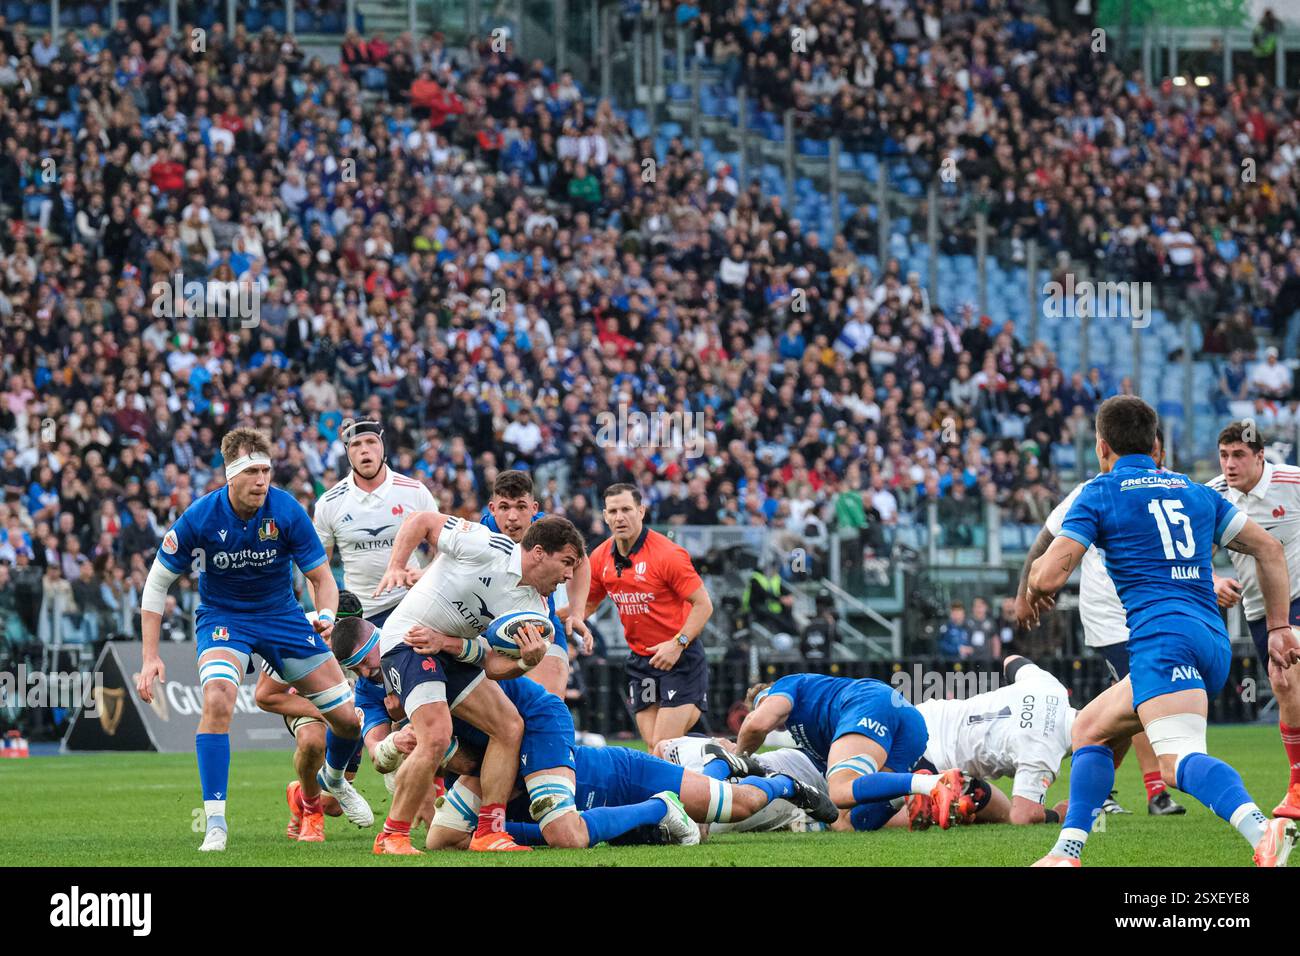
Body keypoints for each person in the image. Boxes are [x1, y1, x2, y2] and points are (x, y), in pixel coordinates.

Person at [1026, 396, 1300, 867]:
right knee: (1089, 729)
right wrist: (1279, 627)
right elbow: (1270, 549)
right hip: (1209, 641)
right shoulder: (1196, 491)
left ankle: (1262, 830)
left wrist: (1033, 582)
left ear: (1101, 447)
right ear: (1156, 445)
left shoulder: (1100, 491)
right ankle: (1065, 853)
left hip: (1162, 641)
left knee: (1175, 763)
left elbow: (1049, 577)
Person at [134, 427, 365, 852]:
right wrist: (150, 657)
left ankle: (333, 781)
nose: (262, 480)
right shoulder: (200, 517)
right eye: (252, 472)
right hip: (224, 619)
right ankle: (216, 825)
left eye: (266, 470)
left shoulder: (286, 509)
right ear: (230, 475)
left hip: (283, 617)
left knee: (349, 721)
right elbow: (155, 586)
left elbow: (322, 579)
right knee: (219, 698)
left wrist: (328, 615)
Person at [363, 511, 586, 853]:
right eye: (567, 562)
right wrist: (396, 564)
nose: (569, 574)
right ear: (539, 552)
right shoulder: (485, 544)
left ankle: (488, 831)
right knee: (435, 735)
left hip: (450, 653)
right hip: (408, 640)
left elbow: (494, 666)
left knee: (510, 727)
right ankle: (391, 835)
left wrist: (526, 661)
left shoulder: (534, 610)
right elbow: (422, 520)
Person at [1016, 436, 1186, 816]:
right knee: (1145, 695)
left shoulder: (1173, 487)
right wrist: (1023, 592)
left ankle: (1097, 788)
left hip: (1154, 612)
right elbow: (1046, 537)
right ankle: (1156, 792)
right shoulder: (1089, 491)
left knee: (1122, 705)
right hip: (1111, 617)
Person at [310, 419, 439, 795]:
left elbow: (445, 551)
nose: (364, 451)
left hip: (411, 609)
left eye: (370, 443)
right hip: (359, 620)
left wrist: (424, 573)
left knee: (423, 694)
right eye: (356, 446)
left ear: (382, 447)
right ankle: (338, 781)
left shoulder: (414, 492)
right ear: (347, 453)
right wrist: (326, 613)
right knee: (350, 710)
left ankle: (426, 779)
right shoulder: (330, 503)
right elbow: (316, 568)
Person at [1208, 422, 1300, 819]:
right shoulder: (1213, 495)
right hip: (1260, 613)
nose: (1230, 464)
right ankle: (1297, 785)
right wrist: (1212, 580)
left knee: (1288, 675)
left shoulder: (1292, 482)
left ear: (1260, 457)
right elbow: (1194, 554)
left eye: (1239, 455)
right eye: (1224, 456)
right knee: (1283, 685)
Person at [735, 673, 962, 831]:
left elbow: (756, 724)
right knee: (850, 821)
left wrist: (737, 760)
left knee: (839, 791)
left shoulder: (784, 687)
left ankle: (934, 783)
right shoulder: (810, 731)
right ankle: (915, 791)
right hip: (911, 725)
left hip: (868, 702)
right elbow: (840, 815)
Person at [584, 483, 714, 748]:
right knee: (657, 746)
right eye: (613, 511)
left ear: (641, 511)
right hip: (641, 662)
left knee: (662, 748)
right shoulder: (599, 556)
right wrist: (550, 618)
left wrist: (677, 644)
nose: (620, 517)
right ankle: (721, 749)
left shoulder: (668, 554)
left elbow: (704, 605)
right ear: (605, 516)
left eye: (626, 509)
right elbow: (588, 604)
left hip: (680, 659)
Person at [908, 655, 1074, 826]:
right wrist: (1057, 815)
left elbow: (1012, 660)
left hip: (926, 715)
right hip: (937, 761)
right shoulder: (1044, 751)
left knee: (1000, 809)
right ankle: (933, 804)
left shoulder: (1050, 686)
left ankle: (948, 800)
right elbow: (1023, 816)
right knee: (882, 815)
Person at [479, 469, 593, 697]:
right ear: (493, 509)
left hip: (544, 625)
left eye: (520, 507)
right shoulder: (482, 532)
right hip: (490, 630)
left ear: (534, 508)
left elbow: (580, 561)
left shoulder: (549, 531)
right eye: (504, 507)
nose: (512, 517)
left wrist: (577, 613)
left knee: (548, 702)